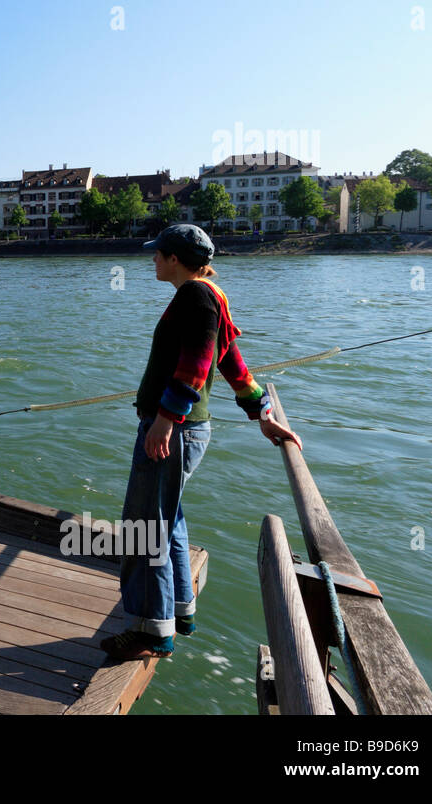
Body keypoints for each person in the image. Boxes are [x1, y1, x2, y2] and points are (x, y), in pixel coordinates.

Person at [100, 224, 303, 660]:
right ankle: (178, 609)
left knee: (145, 525)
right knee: (166, 519)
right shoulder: (210, 296)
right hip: (183, 427)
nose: (152, 259)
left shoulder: (195, 296)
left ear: (175, 258)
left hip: (174, 428)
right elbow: (229, 359)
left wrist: (166, 418)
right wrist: (261, 413)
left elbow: (197, 364)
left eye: (158, 253)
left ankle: (151, 631)